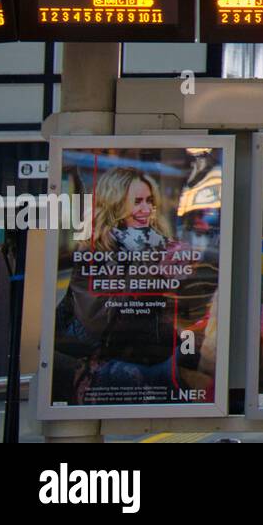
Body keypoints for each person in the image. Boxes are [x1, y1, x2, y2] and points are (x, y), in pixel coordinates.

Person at [58, 167, 215, 403]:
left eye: (150, 201)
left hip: (150, 353)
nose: (146, 209)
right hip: (107, 363)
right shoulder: (95, 251)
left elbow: (186, 313)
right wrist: (157, 273)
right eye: (137, 202)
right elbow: (98, 323)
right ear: (116, 206)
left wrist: (188, 275)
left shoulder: (158, 245)